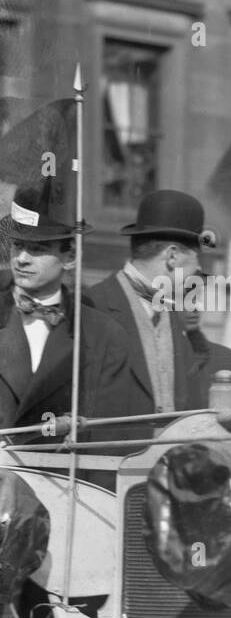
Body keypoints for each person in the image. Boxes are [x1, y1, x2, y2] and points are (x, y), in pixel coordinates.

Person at [0, 182, 136, 436]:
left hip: (63, 475)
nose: (21, 259)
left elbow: (109, 439)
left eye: (38, 249)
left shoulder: (104, 338)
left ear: (70, 257)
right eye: (18, 245)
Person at [86, 189, 231, 414]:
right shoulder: (94, 306)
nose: (197, 271)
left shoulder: (172, 317)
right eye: (197, 261)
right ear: (172, 256)